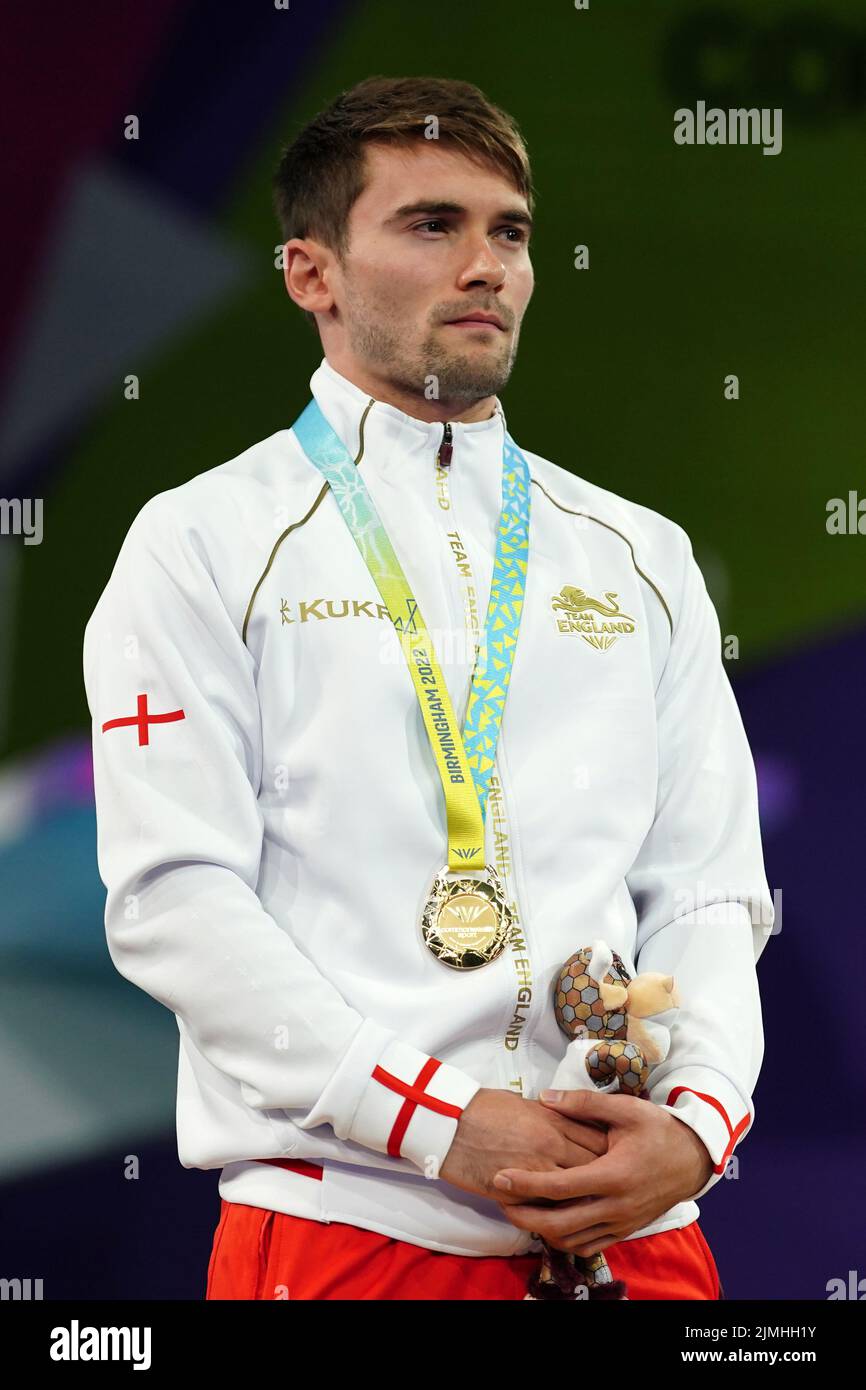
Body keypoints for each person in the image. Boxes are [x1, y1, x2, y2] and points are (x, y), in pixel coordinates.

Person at [82, 75, 775, 1301]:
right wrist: (438, 1120)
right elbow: (174, 899)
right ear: (312, 275)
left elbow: (709, 887)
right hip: (350, 1225)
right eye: (430, 225)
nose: (486, 265)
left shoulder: (638, 553)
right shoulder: (201, 542)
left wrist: (698, 1119)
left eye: (507, 230)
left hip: (633, 1229)